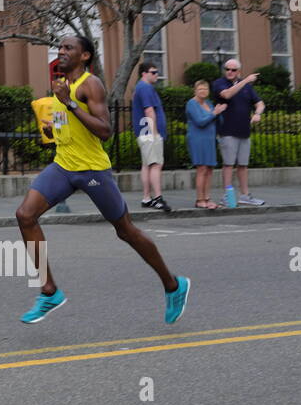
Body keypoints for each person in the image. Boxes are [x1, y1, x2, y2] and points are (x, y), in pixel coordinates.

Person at [15, 35, 190, 325]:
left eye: (69, 47)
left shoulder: (89, 84)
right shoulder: (63, 87)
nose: (62, 51)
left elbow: (105, 130)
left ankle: (173, 285)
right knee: (25, 215)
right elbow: (67, 127)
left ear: (85, 56)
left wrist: (69, 104)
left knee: (125, 230)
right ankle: (49, 291)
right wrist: (53, 126)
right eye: (60, 47)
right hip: (63, 166)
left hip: (92, 171)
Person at [211, 59, 266, 205]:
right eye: (227, 69)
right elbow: (227, 95)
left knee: (243, 165)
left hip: (244, 131)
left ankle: (245, 195)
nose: (229, 72)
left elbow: (260, 103)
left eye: (233, 70)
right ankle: (227, 195)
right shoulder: (219, 83)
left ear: (238, 71)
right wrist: (246, 80)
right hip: (227, 131)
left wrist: (258, 113)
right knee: (228, 164)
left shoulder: (247, 87)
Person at [131, 61, 170, 211]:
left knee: (147, 165)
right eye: (153, 72)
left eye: (157, 72)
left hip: (143, 132)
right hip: (149, 133)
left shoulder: (140, 88)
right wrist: (154, 133)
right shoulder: (145, 88)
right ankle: (158, 198)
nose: (156, 75)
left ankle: (147, 198)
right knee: (155, 164)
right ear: (144, 74)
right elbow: (149, 111)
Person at [185, 80, 226, 209]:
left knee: (209, 169)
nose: (203, 91)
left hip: (209, 139)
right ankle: (199, 199)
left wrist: (219, 112)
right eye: (200, 89)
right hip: (197, 139)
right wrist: (215, 113)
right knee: (201, 169)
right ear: (195, 91)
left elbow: (218, 120)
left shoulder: (208, 103)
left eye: (205, 89)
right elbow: (200, 121)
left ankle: (207, 198)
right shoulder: (191, 104)